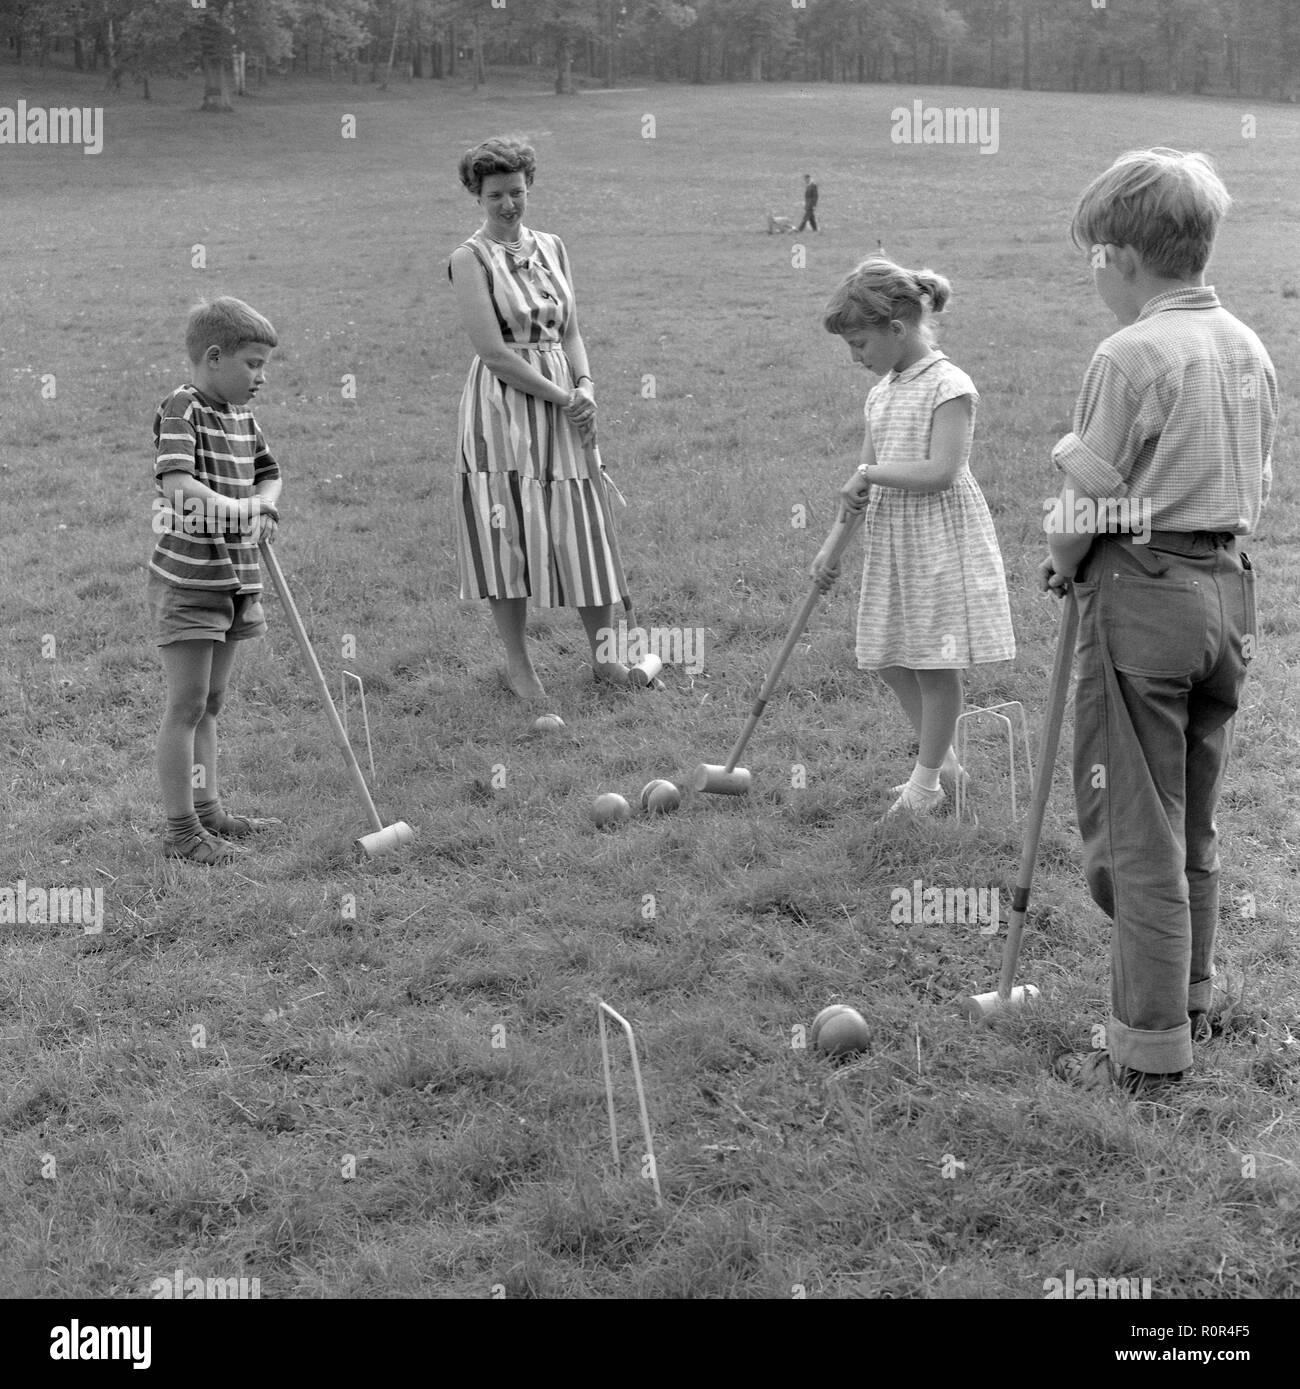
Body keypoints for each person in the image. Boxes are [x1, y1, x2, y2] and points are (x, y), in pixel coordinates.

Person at [1041, 148, 1277, 1095]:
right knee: (1193, 818)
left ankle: (1148, 1045)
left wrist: (1062, 562)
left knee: (1137, 830)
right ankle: (1196, 996)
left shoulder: (1130, 353)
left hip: (1146, 598)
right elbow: (1252, 481)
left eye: (1091, 256)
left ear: (1121, 256)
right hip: (1229, 596)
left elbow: (1085, 498)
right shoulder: (1248, 344)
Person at [811, 256, 1015, 817]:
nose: (856, 358)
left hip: (940, 541)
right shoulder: (882, 393)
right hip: (892, 542)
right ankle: (943, 762)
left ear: (896, 329)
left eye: (859, 344)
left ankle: (926, 785)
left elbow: (941, 471)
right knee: (885, 655)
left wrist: (871, 475)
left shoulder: (949, 386)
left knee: (933, 662)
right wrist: (831, 548)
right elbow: (861, 486)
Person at [448, 136, 642, 702]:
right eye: (495, 196)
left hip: (564, 401)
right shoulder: (469, 259)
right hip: (502, 411)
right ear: (476, 197)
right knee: (504, 526)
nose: (508, 205)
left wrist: (584, 384)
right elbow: (494, 353)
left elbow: (571, 331)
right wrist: (562, 395)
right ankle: (519, 666)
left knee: (580, 525)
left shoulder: (553, 246)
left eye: (517, 192)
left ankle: (606, 659)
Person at [147, 297, 283, 865]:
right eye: (252, 363)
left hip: (236, 578)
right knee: (187, 704)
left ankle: (209, 811)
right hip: (192, 579)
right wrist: (241, 510)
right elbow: (178, 487)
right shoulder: (184, 409)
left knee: (213, 702)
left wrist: (265, 508)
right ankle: (181, 830)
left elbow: (270, 474)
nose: (260, 376)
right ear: (213, 356)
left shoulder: (241, 416)